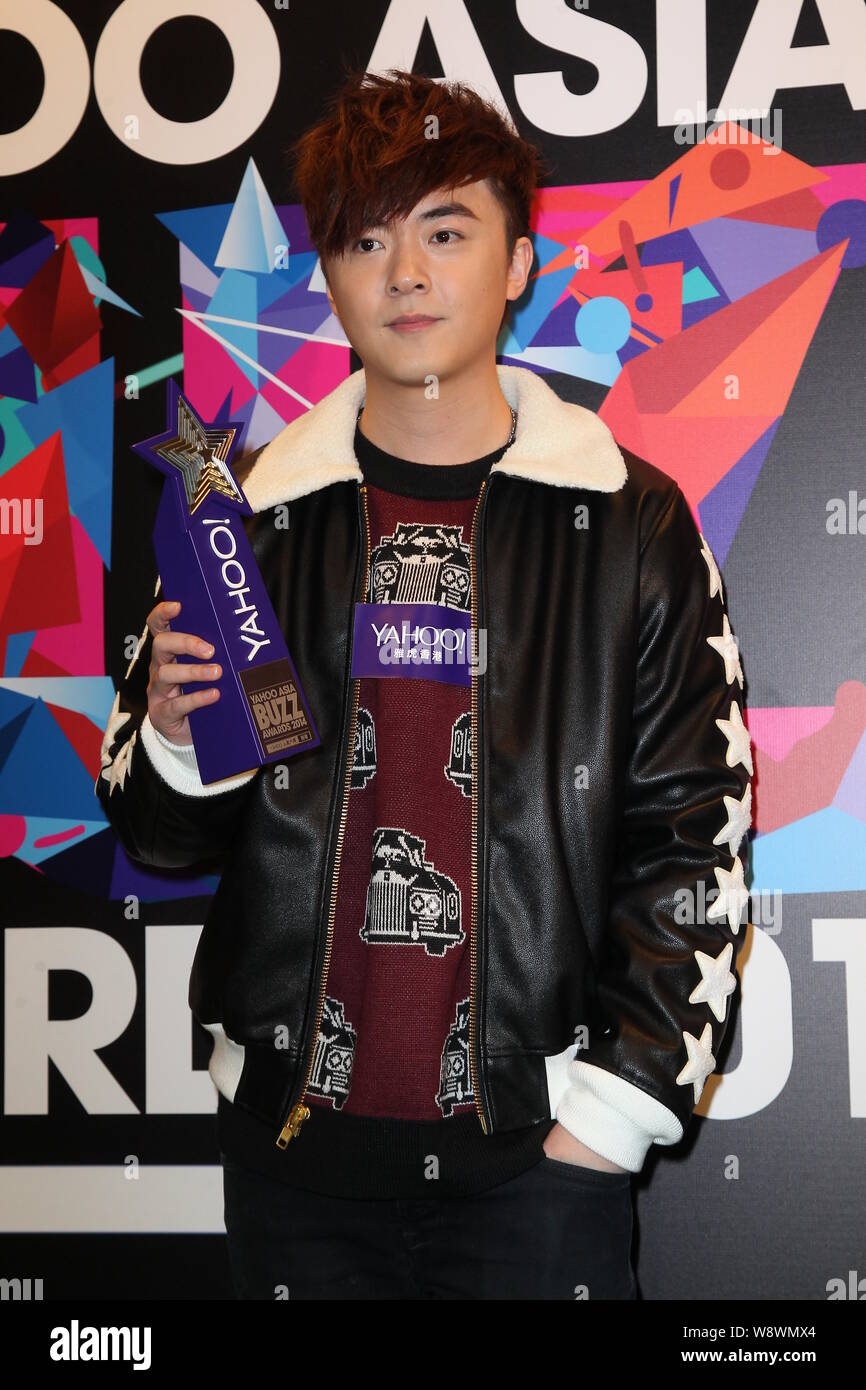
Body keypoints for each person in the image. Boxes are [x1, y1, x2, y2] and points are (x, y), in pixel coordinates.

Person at [95, 67, 752, 1301]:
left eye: (445, 231)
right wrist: (180, 742)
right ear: (329, 275)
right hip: (293, 1157)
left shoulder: (625, 520)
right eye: (366, 238)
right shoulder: (246, 518)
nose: (405, 272)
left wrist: (603, 1121)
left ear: (513, 263)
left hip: (537, 1167)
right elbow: (156, 830)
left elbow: (693, 835)